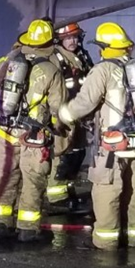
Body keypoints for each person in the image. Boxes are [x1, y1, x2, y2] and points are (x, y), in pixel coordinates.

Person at [57, 22, 135, 250]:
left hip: (114, 145)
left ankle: (106, 242)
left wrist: (63, 114)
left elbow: (85, 103)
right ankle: (134, 238)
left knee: (107, 190)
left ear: (104, 47)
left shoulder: (103, 69)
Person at [0, 19, 66, 242]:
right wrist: (61, 132)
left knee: (5, 178)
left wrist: (15, 50)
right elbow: (58, 108)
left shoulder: (8, 63)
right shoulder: (51, 70)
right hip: (33, 137)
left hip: (4, 133)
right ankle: (28, 230)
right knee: (33, 181)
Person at [46, 22, 94, 211]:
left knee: (77, 154)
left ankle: (68, 190)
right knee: (62, 154)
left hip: (80, 114)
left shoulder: (81, 56)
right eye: (67, 38)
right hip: (62, 115)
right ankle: (56, 198)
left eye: (74, 37)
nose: (72, 41)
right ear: (59, 40)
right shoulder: (55, 58)